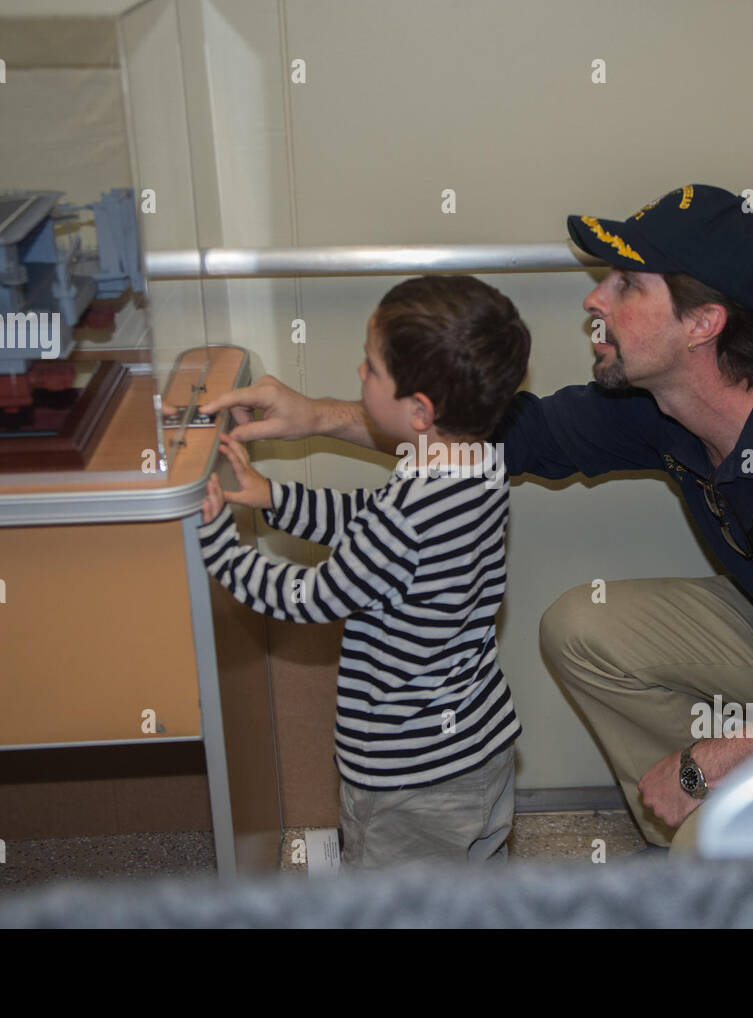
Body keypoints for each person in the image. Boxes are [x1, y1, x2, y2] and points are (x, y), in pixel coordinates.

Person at [200, 184, 753, 859]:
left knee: (724, 853)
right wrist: (311, 414)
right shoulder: (660, 409)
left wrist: (711, 758)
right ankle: (687, 830)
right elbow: (485, 432)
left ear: (703, 322)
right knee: (579, 626)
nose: (595, 298)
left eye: (628, 284)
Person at [198, 274, 531, 868]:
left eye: (372, 368)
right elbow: (370, 524)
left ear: (421, 410)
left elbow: (310, 597)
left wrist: (219, 547)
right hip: (480, 750)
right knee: (477, 892)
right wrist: (276, 497)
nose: (358, 374)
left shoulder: (412, 509)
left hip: (409, 776)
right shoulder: (478, 468)